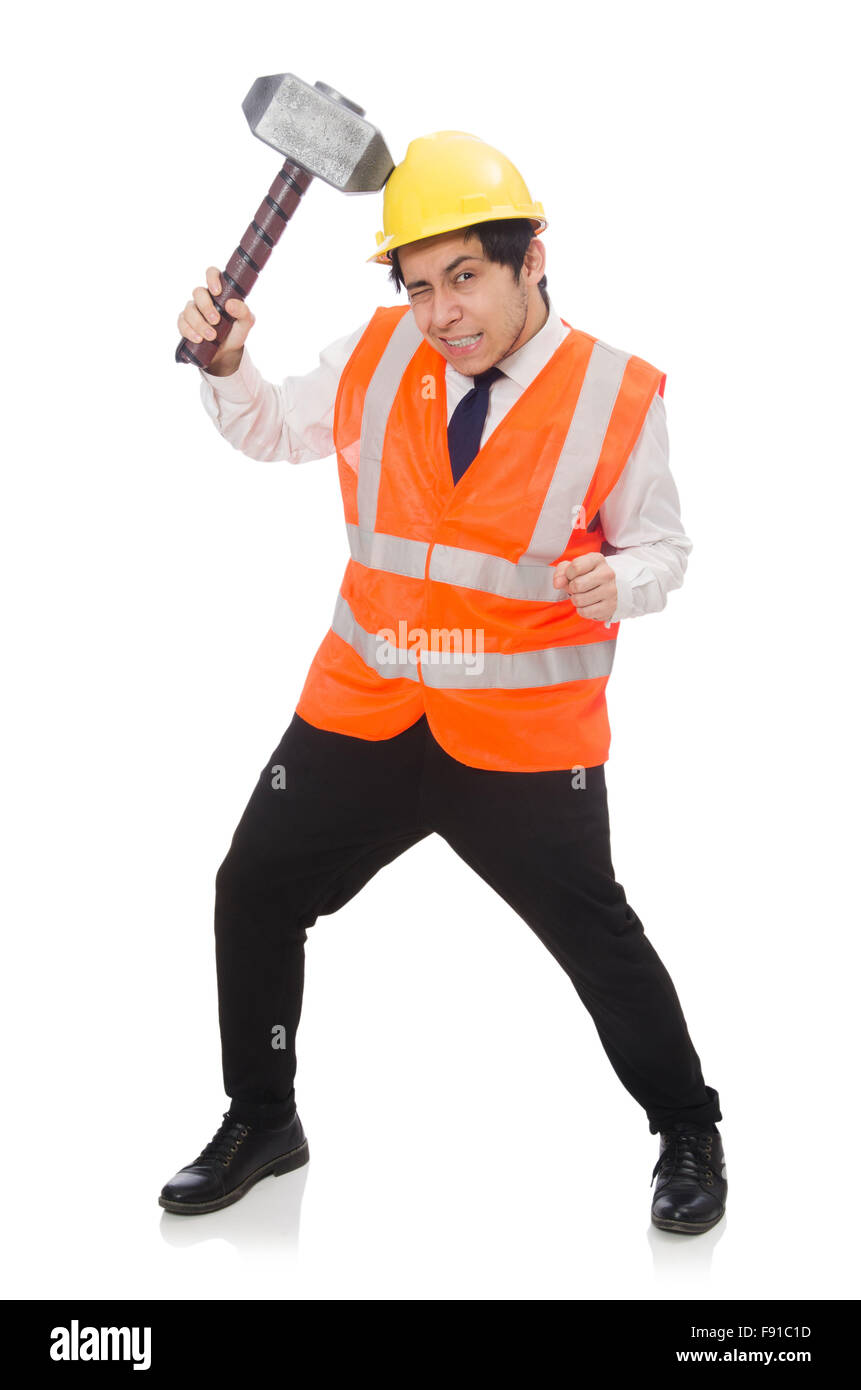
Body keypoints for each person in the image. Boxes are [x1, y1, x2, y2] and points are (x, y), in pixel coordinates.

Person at [160, 131, 727, 1233]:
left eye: (465, 277)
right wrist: (229, 368)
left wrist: (624, 579)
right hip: (363, 711)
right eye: (419, 286)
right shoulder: (380, 357)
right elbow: (277, 429)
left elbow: (666, 547)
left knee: (598, 938)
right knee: (255, 890)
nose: (441, 314)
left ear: (532, 261)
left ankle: (689, 1127)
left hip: (519, 737)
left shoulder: (617, 391)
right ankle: (263, 1118)